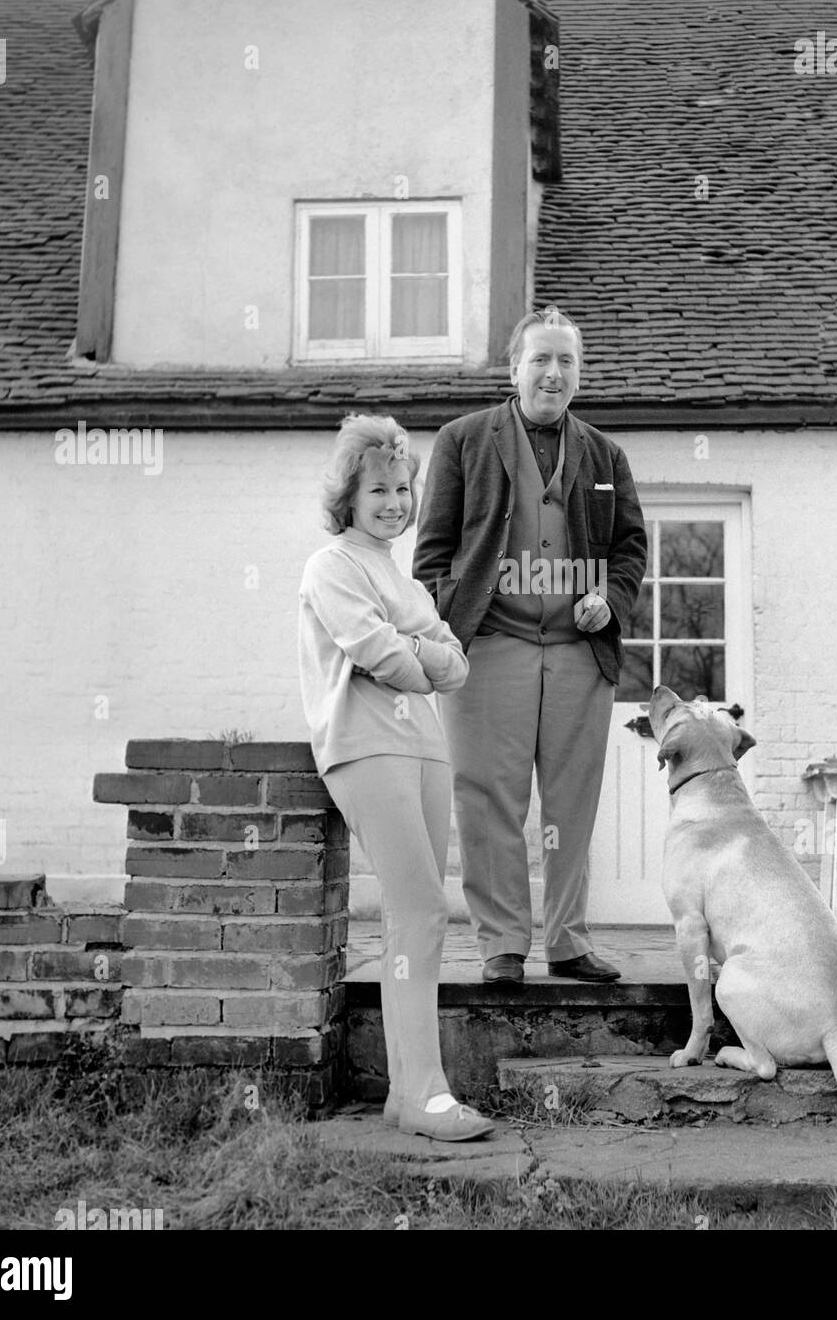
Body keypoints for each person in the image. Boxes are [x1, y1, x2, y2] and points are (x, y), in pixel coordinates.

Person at [413, 307, 648, 985]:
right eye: (540, 359)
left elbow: (630, 547)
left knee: (573, 801)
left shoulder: (606, 455)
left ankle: (569, 941)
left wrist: (612, 598)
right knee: (487, 800)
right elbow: (431, 556)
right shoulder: (462, 442)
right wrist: (455, 619)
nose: (553, 372)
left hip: (580, 653)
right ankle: (502, 946)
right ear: (514, 367)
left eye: (566, 361)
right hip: (489, 649)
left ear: (580, 372)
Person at [298, 414, 491, 1142]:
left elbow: (456, 664)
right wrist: (419, 650)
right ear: (348, 496)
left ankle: (406, 1094)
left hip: (423, 746)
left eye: (403, 488)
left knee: (417, 914)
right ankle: (424, 1095)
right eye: (378, 488)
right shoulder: (332, 566)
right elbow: (383, 653)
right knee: (419, 909)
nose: (394, 501)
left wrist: (418, 651)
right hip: (363, 744)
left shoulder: (399, 574)